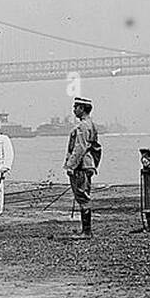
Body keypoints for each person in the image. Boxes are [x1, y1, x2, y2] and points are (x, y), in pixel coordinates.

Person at [64, 96, 99, 238]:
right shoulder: (91, 124)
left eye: (75, 107)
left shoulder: (83, 126)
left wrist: (70, 165)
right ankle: (86, 230)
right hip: (87, 164)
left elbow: (80, 147)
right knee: (84, 195)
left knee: (82, 196)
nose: (74, 110)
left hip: (81, 166)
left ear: (82, 109)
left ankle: (86, 232)